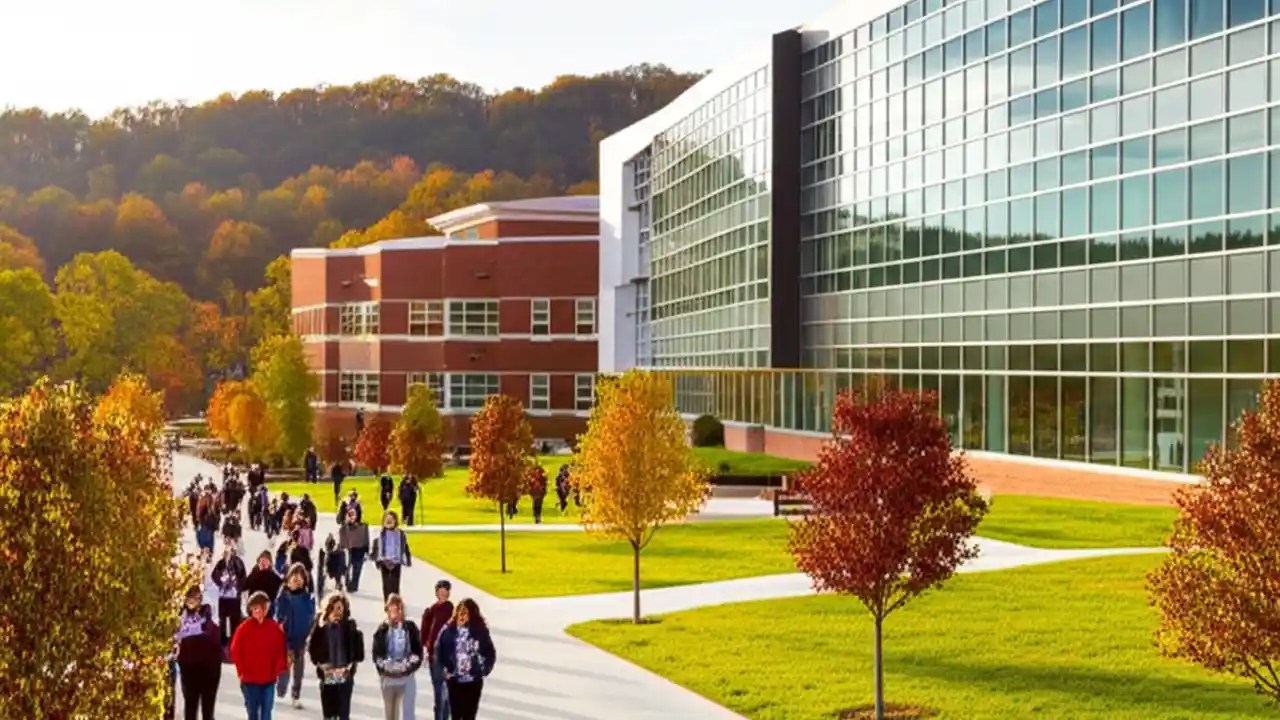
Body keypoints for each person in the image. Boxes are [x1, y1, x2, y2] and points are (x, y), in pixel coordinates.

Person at [230, 591, 289, 720]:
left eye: (264, 608)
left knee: (266, 713)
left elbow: (280, 651)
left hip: (268, 680)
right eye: (256, 608)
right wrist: (241, 671)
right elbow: (235, 650)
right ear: (251, 609)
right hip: (250, 680)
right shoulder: (243, 629)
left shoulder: (274, 629)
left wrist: (280, 671)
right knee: (252, 713)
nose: (260, 612)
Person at [433, 598, 495, 720]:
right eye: (460, 612)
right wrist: (444, 671)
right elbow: (439, 651)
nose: (462, 616)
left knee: (469, 716)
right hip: (454, 681)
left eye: (465, 613)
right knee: (455, 715)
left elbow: (490, 652)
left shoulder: (479, 631)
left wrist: (484, 669)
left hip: (473, 681)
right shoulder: (448, 631)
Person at [308, 593, 364, 720]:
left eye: (339, 608)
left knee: (344, 713)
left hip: (344, 675)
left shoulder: (350, 628)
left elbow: (359, 654)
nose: (336, 612)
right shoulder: (321, 630)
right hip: (328, 675)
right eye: (333, 609)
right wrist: (322, 665)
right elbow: (313, 651)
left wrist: (350, 665)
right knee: (329, 713)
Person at [373, 593, 424, 720]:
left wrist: (409, 665)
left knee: (407, 714)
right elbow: (377, 654)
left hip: (406, 677)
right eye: (393, 609)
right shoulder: (382, 630)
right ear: (388, 610)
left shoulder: (410, 628)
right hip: (388, 678)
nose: (396, 612)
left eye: (399, 608)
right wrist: (385, 666)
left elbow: (418, 651)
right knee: (390, 715)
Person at [175, 586, 221, 720]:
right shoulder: (181, 615)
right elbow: (177, 634)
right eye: (189, 598)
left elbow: (212, 631)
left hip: (209, 667)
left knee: (207, 708)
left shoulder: (208, 612)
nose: (192, 602)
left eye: (195, 598)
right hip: (189, 666)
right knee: (190, 705)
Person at [275, 564, 317, 710]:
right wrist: (281, 624)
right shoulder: (283, 596)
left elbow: (311, 616)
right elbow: (278, 615)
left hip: (301, 639)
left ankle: (296, 695)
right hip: (286, 639)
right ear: (288, 580)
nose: (297, 580)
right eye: (294, 577)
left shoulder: (307, 597)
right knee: (284, 669)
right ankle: (280, 689)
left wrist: (310, 632)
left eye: (300, 578)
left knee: (299, 671)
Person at [421, 580, 454, 720]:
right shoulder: (432, 610)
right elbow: (425, 633)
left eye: (445, 592)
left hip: (447, 656)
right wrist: (427, 650)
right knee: (438, 690)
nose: (443, 595)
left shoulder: (451, 611)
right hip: (434, 656)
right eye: (441, 592)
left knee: (445, 692)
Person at [371, 511, 412, 601]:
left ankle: (395, 603)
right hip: (384, 561)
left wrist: (408, 559)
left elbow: (405, 547)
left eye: (391, 520)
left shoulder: (400, 533)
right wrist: (376, 559)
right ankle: (387, 603)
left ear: (395, 521)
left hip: (396, 562)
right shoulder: (380, 533)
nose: (389, 522)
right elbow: (376, 547)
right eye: (387, 520)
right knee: (386, 584)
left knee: (395, 584)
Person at [211, 546, 246, 647]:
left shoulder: (239, 563)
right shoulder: (221, 563)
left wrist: (238, 585)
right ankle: (222, 643)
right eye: (226, 552)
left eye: (231, 551)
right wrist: (221, 582)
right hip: (223, 596)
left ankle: (234, 642)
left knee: (234, 621)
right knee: (222, 620)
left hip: (234, 597)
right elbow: (214, 576)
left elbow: (243, 577)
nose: (229, 554)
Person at [338, 508, 371, 593]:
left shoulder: (363, 526)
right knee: (347, 568)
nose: (351, 517)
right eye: (349, 514)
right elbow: (341, 539)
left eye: (353, 514)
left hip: (360, 549)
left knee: (357, 568)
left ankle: (354, 585)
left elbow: (366, 539)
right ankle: (347, 583)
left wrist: (367, 551)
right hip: (348, 549)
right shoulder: (344, 526)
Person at [244, 551, 284, 617]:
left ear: (270, 563)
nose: (263, 563)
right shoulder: (254, 573)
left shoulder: (273, 575)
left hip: (268, 608)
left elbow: (280, 587)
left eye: (266, 560)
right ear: (258, 562)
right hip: (254, 606)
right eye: (262, 560)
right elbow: (245, 586)